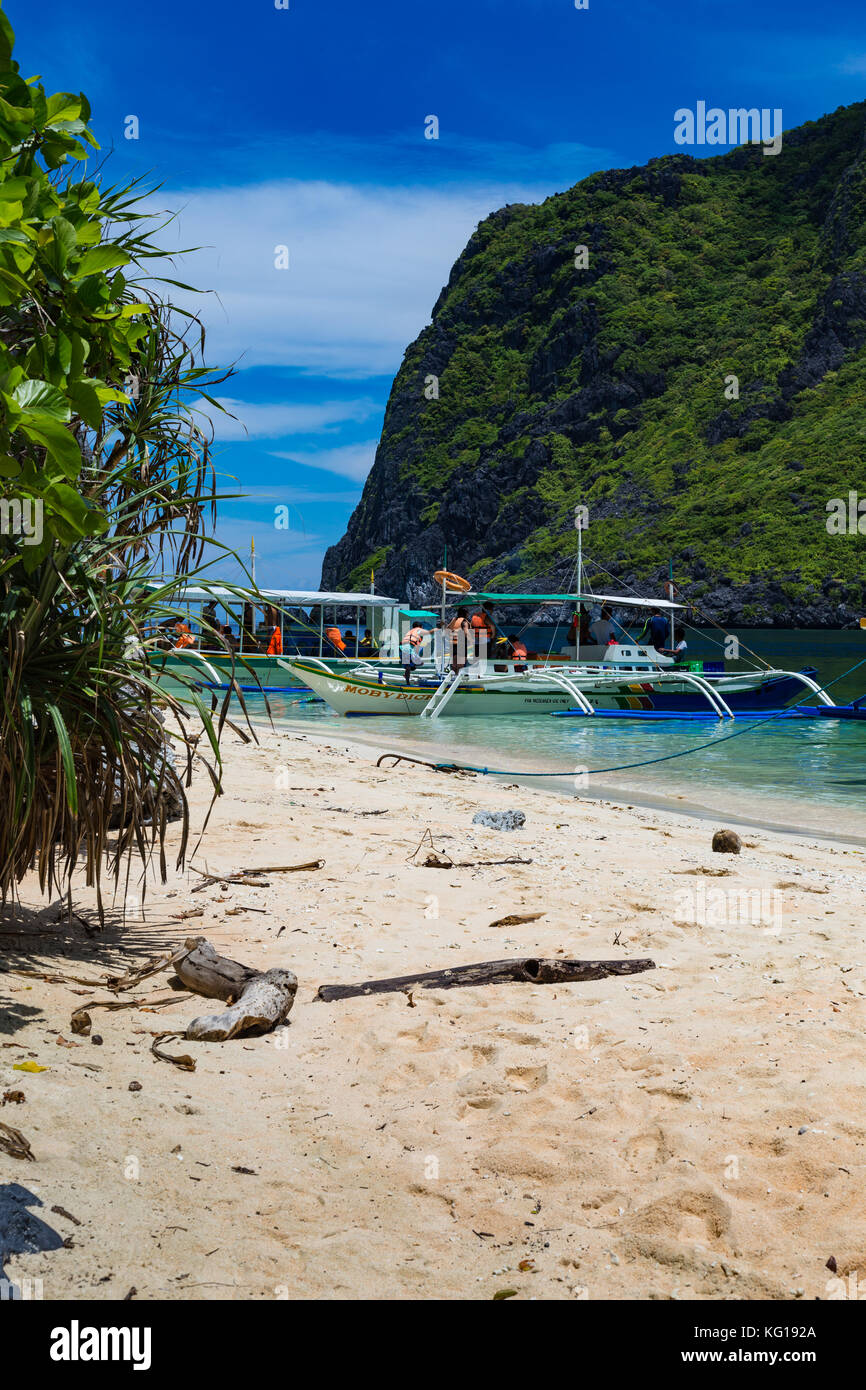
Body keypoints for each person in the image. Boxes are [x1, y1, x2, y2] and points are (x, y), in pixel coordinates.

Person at [447, 607, 472, 673]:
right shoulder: (464, 621)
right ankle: (458, 679)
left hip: (453, 644)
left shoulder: (455, 620)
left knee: (454, 664)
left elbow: (448, 628)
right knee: (460, 664)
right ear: (466, 614)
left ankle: (453, 678)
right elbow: (466, 632)